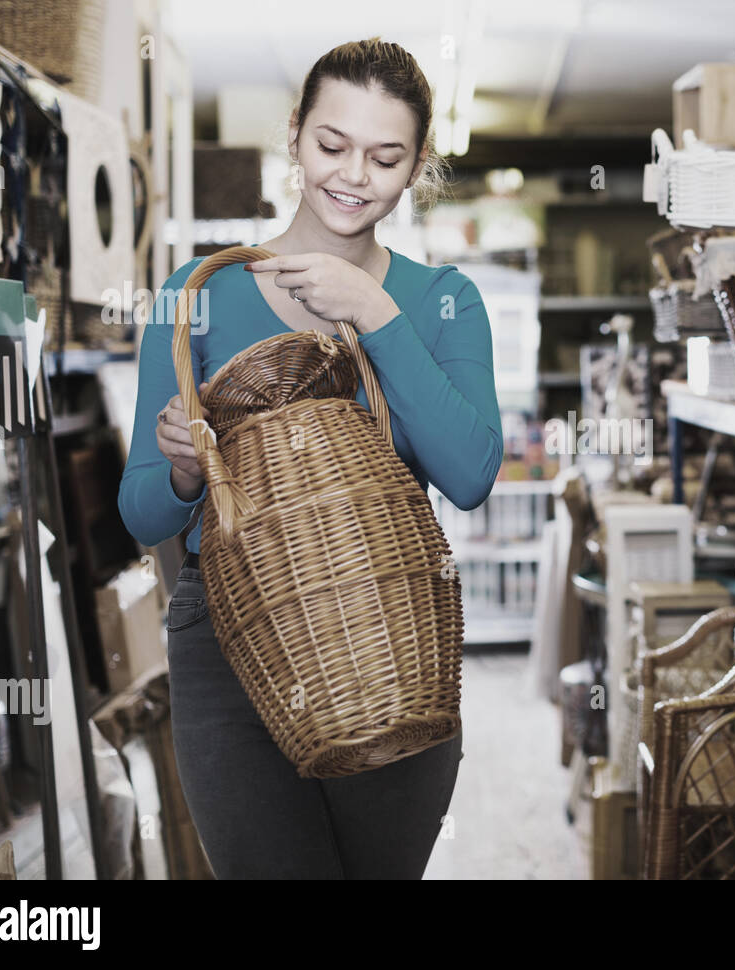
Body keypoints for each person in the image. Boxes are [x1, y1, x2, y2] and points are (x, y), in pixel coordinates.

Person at [117, 37, 502, 879]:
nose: (354, 176)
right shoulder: (197, 294)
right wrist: (184, 468)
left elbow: (470, 474)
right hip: (225, 648)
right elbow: (141, 509)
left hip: (387, 639)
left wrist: (375, 312)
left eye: (385, 156)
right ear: (294, 134)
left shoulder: (442, 302)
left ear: (417, 165)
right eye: (332, 145)